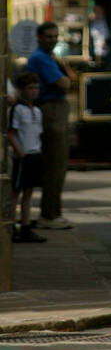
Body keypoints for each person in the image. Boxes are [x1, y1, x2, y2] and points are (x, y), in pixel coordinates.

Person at [25, 21, 73, 229]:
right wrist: (67, 79)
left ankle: (52, 213)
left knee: (56, 164)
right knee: (56, 163)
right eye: (49, 37)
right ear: (39, 38)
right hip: (52, 109)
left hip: (53, 108)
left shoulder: (46, 57)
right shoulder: (42, 58)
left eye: (55, 37)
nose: (53, 40)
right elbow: (64, 83)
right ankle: (50, 215)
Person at [7, 72, 47, 242]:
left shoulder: (37, 111)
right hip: (23, 156)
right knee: (16, 192)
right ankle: (11, 225)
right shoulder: (18, 109)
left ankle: (25, 226)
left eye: (36, 88)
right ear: (22, 90)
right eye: (30, 88)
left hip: (34, 154)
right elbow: (11, 133)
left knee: (29, 193)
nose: (34, 92)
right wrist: (19, 152)